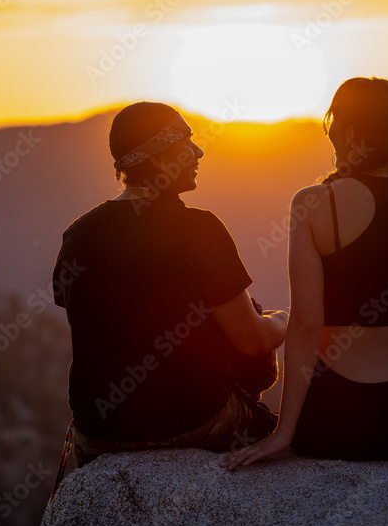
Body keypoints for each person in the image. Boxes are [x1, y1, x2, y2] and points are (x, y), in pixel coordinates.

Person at [221, 76, 388, 469]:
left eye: (335, 117)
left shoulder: (312, 203)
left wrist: (284, 432)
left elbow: (307, 324)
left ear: (349, 130)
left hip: (341, 424)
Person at [51, 101, 287, 474]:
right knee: (252, 311)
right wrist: (283, 320)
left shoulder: (79, 234)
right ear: (158, 161)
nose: (199, 151)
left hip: (100, 432)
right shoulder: (200, 229)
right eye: (186, 143)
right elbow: (252, 341)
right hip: (196, 422)